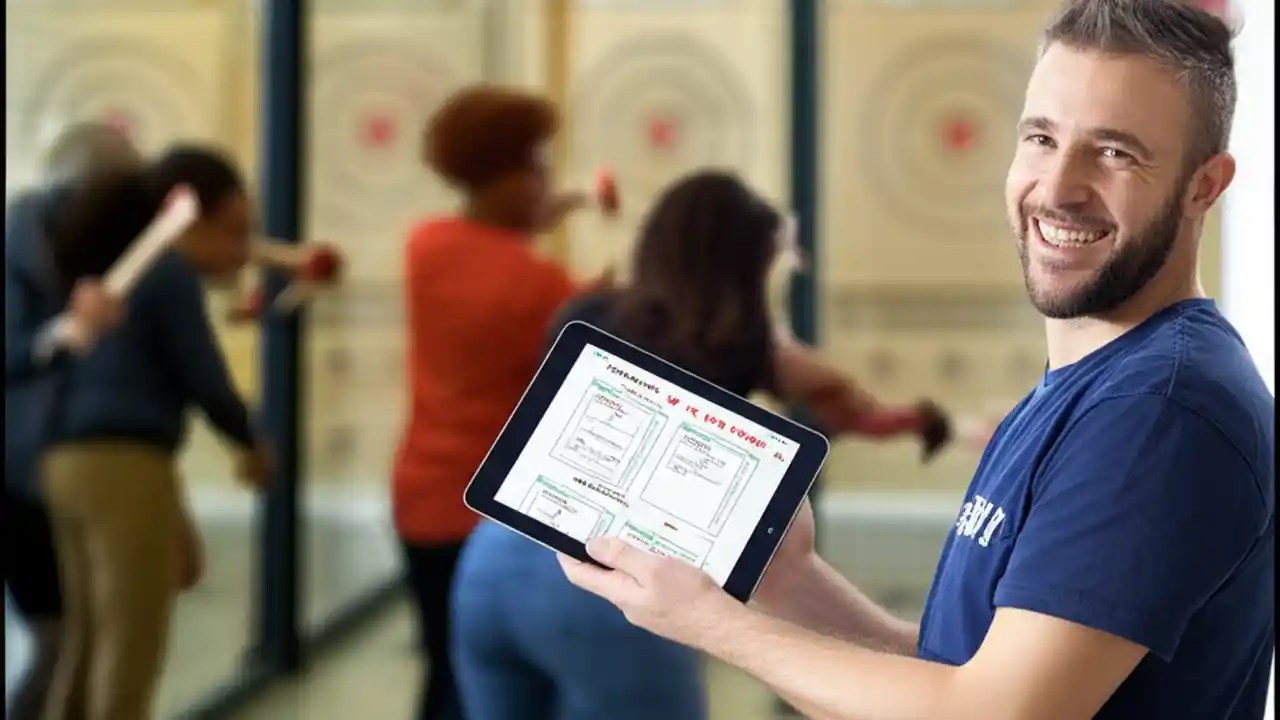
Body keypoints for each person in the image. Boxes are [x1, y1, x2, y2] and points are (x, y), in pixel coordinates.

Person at [559, 1, 1275, 719]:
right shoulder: (1085, 390)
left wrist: (707, 621)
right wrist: (789, 582)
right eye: (1042, 139)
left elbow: (992, 715)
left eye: (1115, 153)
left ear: (1204, 185)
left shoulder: (1159, 410)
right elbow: (960, 679)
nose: (1057, 189)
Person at [450, 170, 957, 720]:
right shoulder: (744, 343)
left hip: (492, 562)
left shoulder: (585, 314)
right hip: (604, 589)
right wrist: (917, 420)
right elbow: (853, 406)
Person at [36, 145, 273, 720]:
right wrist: (251, 441)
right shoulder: (166, 271)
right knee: (129, 650)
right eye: (234, 231)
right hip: (122, 464)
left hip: (63, 461)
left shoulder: (113, 261)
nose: (242, 252)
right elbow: (206, 379)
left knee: (87, 643)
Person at [391, 85, 592, 720]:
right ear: (504, 174)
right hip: (496, 513)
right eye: (535, 167)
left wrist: (533, 217)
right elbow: (583, 323)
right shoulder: (541, 285)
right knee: (497, 685)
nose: (545, 181)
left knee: (444, 670)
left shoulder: (425, 245)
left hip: (420, 497)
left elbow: (482, 248)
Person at [4, 122, 139, 720]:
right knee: (59, 639)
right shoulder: (24, 247)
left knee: (72, 637)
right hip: (21, 475)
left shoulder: (60, 244)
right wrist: (60, 336)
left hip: (48, 467)